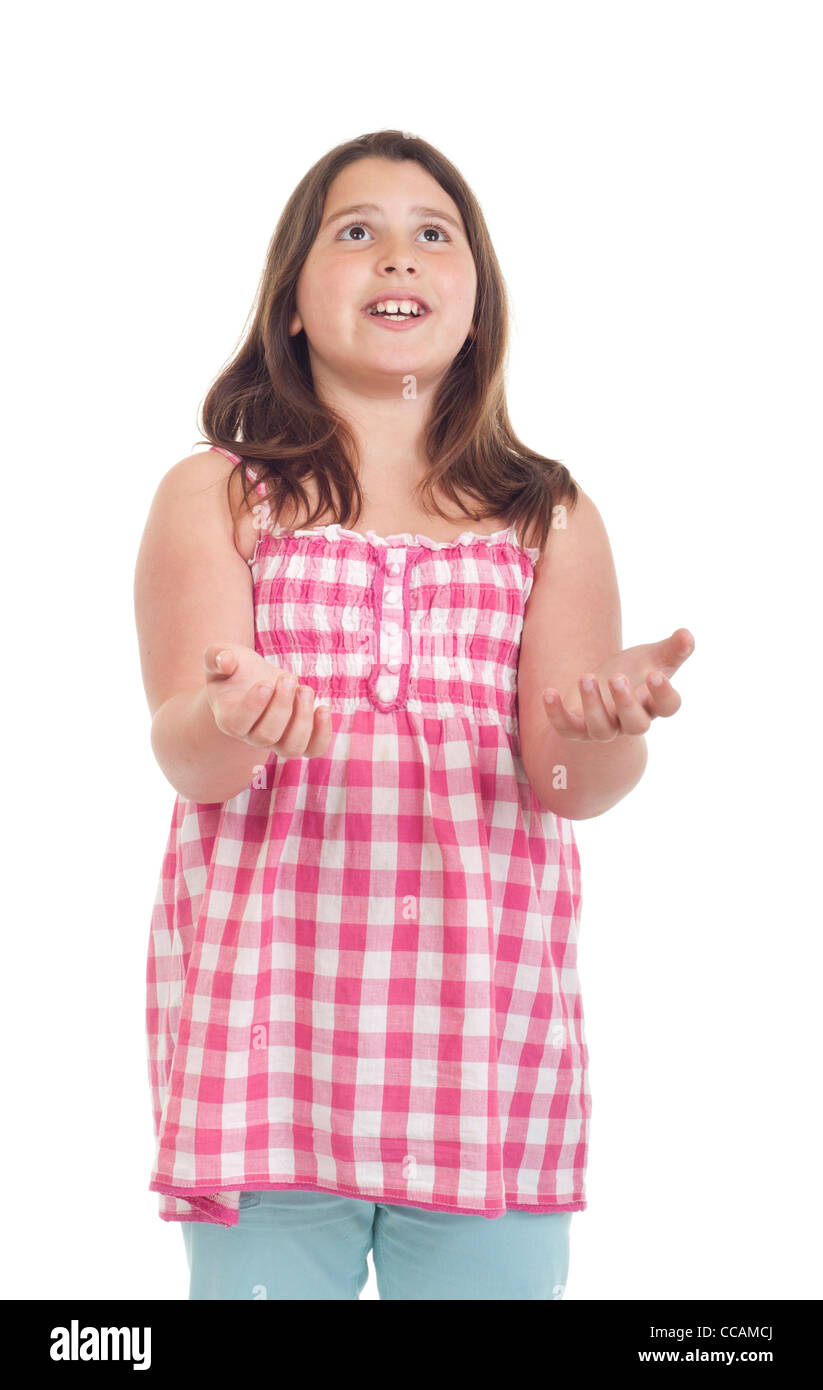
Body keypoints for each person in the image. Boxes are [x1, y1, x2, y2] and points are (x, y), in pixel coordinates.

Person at [134, 129, 694, 1300]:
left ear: (475, 303)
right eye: (357, 230)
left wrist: (608, 728)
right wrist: (237, 715)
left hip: (484, 1070)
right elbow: (190, 759)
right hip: (271, 1062)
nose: (399, 253)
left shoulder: (548, 514)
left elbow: (566, 786)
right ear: (291, 302)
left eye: (433, 233)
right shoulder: (221, 493)